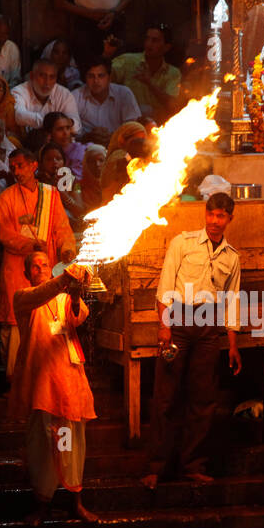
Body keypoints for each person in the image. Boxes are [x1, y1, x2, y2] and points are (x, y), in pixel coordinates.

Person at [143, 191, 242, 488]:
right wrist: (164, 327)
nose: (215, 221)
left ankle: (193, 465)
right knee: (165, 397)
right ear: (205, 214)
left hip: (209, 327)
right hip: (179, 323)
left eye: (221, 216)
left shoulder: (232, 257)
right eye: (211, 214)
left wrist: (233, 344)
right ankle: (156, 468)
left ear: (229, 219)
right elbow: (165, 287)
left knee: (203, 400)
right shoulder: (182, 243)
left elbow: (232, 300)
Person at [10, 254, 98, 523]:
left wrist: (73, 293)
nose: (40, 269)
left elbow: (79, 316)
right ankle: (43, 505)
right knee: (42, 447)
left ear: (51, 268)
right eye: (34, 266)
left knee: (71, 446)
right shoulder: (24, 297)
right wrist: (66, 279)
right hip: (43, 385)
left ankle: (75, 502)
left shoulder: (62, 295)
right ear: (27, 274)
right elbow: (45, 292)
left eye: (44, 265)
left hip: (70, 383)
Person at [0, 149, 75, 380]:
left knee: (49, 320)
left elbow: (62, 229)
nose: (16, 171)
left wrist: (67, 249)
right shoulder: (6, 198)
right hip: (17, 270)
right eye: (12, 167)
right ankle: (16, 383)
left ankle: (48, 379)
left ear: (33, 166)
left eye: (20, 166)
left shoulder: (51, 195)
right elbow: (5, 235)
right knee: (15, 326)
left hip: (45, 268)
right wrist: (30, 244)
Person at [110, 25, 180, 120]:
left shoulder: (173, 73)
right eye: (147, 39)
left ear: (166, 47)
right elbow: (103, 81)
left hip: (158, 126)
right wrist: (106, 55)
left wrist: (150, 83)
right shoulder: (127, 61)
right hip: (128, 122)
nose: (148, 44)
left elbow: (173, 105)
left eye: (154, 40)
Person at [74, 57, 141, 146]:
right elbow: (69, 133)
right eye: (91, 76)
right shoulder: (76, 96)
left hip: (119, 147)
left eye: (101, 76)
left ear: (109, 78)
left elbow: (134, 128)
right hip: (86, 150)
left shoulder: (124, 93)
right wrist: (87, 137)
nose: (96, 81)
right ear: (85, 78)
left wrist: (114, 137)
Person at [12, 59, 82, 135]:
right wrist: (56, 124)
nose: (47, 82)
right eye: (42, 76)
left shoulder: (64, 94)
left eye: (52, 77)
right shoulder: (18, 91)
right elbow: (19, 115)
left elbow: (77, 127)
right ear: (32, 76)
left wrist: (69, 122)